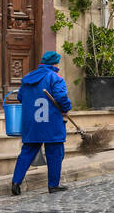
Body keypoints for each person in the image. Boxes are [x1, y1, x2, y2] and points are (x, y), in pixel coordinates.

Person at [10, 51, 71, 196]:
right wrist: (67, 108)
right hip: (52, 122)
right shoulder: (55, 78)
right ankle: (53, 185)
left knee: (27, 152)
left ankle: (16, 183)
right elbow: (61, 97)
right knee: (55, 153)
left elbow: (20, 97)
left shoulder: (27, 78)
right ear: (55, 63)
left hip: (32, 122)